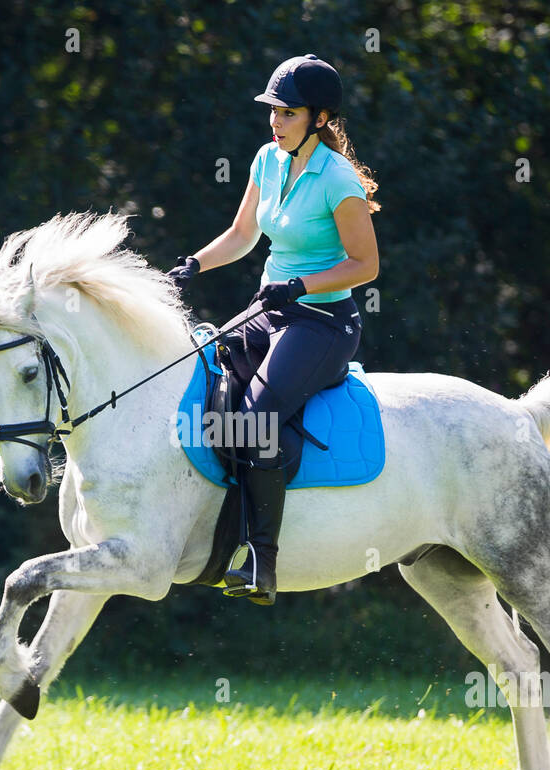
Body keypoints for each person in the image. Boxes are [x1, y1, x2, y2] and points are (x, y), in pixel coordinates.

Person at [168, 53, 380, 605]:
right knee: (210, 383)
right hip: (273, 310)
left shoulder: (338, 179)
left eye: (287, 112)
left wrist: (301, 286)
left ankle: (262, 559)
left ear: (319, 117)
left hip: (325, 324)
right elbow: (243, 235)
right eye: (273, 111)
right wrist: (195, 262)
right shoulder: (267, 160)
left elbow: (366, 266)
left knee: (257, 416)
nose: (275, 121)